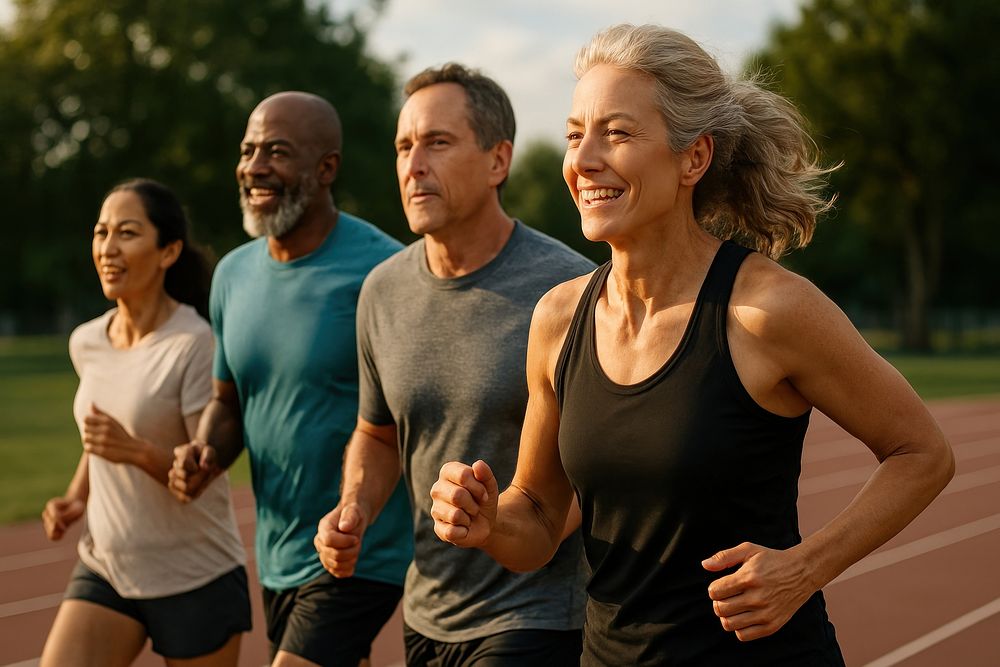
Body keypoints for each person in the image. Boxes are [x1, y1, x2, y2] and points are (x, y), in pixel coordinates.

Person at [429, 24, 956, 666]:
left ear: (694, 158)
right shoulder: (558, 318)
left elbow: (921, 453)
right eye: (575, 134)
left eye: (617, 134)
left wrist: (805, 568)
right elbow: (538, 517)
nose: (584, 159)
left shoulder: (767, 310)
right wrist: (488, 524)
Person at [313, 64, 594, 666]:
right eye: (403, 146)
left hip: (539, 615)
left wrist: (507, 525)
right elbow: (377, 432)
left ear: (499, 161)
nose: (414, 165)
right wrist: (355, 505)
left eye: (437, 143)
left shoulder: (570, 288)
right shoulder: (381, 291)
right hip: (429, 614)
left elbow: (604, 460)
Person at [167, 92, 412, 667]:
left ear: (325, 168)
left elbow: (412, 412)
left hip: (360, 546)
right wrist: (205, 451)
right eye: (249, 150)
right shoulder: (231, 274)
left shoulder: (383, 270)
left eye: (276, 152)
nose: (254, 167)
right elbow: (228, 402)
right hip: (277, 549)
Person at [39, 178, 250, 667]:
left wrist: (133, 450)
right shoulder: (86, 342)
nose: (108, 248)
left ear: (168, 251)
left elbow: (197, 477)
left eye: (127, 233)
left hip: (195, 577)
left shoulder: (195, 345)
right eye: (100, 232)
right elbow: (99, 440)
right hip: (108, 567)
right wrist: (76, 497)